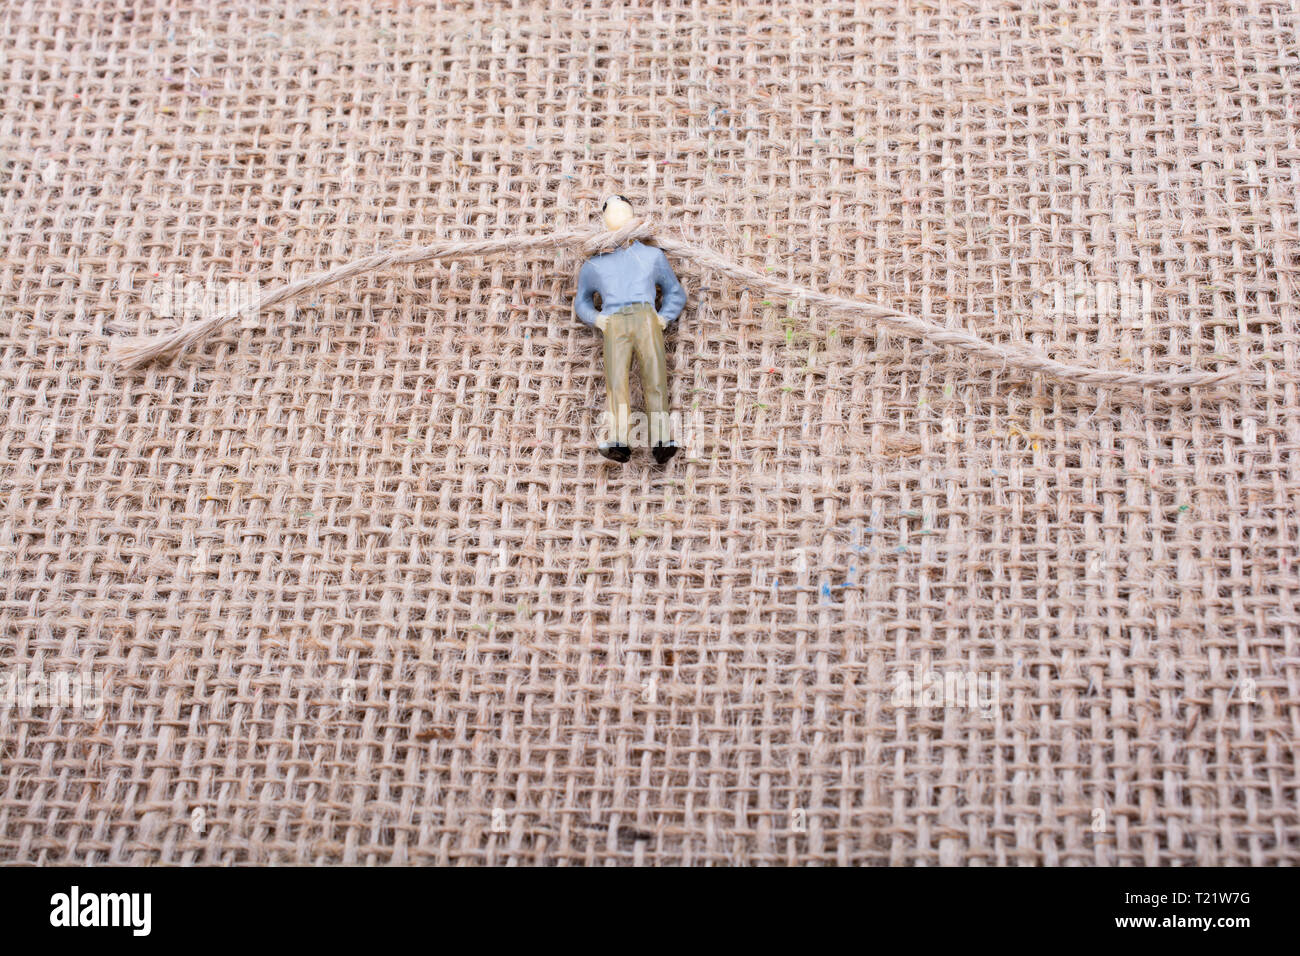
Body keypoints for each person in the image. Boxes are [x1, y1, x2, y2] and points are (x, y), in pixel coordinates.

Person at [574, 196, 686, 463]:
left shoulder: (652, 255)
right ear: (603, 220)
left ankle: (661, 439)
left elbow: (674, 292)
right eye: (611, 211)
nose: (617, 216)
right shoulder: (595, 263)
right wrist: (597, 319)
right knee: (616, 382)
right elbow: (582, 300)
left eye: (622, 210)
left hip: (647, 318)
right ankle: (619, 440)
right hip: (613, 321)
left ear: (633, 215)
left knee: (655, 378)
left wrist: (663, 317)